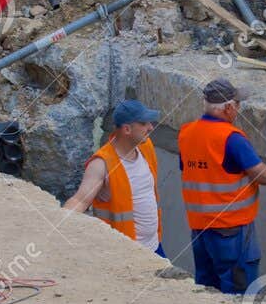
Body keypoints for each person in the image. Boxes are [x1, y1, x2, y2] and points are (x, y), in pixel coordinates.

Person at [64, 99, 188, 277]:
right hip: (126, 255)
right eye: (144, 123)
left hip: (154, 246)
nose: (150, 127)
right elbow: (80, 200)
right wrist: (59, 225)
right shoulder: (102, 163)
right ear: (127, 129)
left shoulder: (146, 147)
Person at [177, 78, 266, 294]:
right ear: (228, 108)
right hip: (231, 229)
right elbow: (263, 176)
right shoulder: (232, 139)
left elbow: (196, 170)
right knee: (239, 291)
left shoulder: (186, 133)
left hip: (200, 228)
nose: (238, 110)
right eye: (238, 104)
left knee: (207, 288)